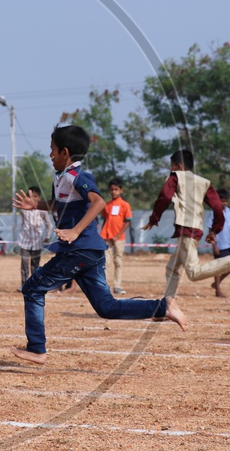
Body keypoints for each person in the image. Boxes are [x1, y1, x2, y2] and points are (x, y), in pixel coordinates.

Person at [10, 125, 188, 365]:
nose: (50, 155)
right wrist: (36, 205)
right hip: (88, 251)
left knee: (32, 288)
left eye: (52, 150)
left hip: (80, 249)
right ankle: (162, 307)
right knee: (107, 308)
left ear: (65, 152)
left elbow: (98, 202)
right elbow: (59, 205)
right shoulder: (62, 177)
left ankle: (37, 348)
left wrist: (74, 231)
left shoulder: (78, 176)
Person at [142, 150, 230, 298]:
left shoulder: (175, 177)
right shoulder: (203, 182)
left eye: (172, 166)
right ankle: (168, 302)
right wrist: (214, 230)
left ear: (179, 166)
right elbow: (218, 207)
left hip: (186, 229)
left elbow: (164, 197)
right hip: (195, 229)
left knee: (193, 273)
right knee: (172, 267)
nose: (171, 169)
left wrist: (154, 219)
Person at [99, 177, 132, 296]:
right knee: (105, 262)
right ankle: (104, 285)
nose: (113, 192)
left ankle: (117, 286)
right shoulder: (106, 205)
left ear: (121, 190)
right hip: (106, 237)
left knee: (118, 261)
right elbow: (104, 220)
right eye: (112, 189)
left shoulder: (125, 205)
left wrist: (117, 236)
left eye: (116, 189)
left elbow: (127, 222)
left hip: (119, 238)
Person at [17, 186, 53, 291]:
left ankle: (34, 285)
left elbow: (48, 224)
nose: (32, 198)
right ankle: (24, 285)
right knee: (24, 265)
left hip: (37, 241)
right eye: (30, 196)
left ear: (39, 197)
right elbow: (23, 222)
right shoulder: (24, 209)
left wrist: (47, 236)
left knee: (35, 265)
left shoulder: (42, 210)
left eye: (35, 196)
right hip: (25, 241)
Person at [207, 189, 230, 298]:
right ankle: (218, 291)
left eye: (226, 201)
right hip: (220, 244)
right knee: (218, 268)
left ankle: (216, 284)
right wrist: (214, 246)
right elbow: (211, 230)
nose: (224, 203)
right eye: (222, 201)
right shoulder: (214, 213)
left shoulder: (229, 211)